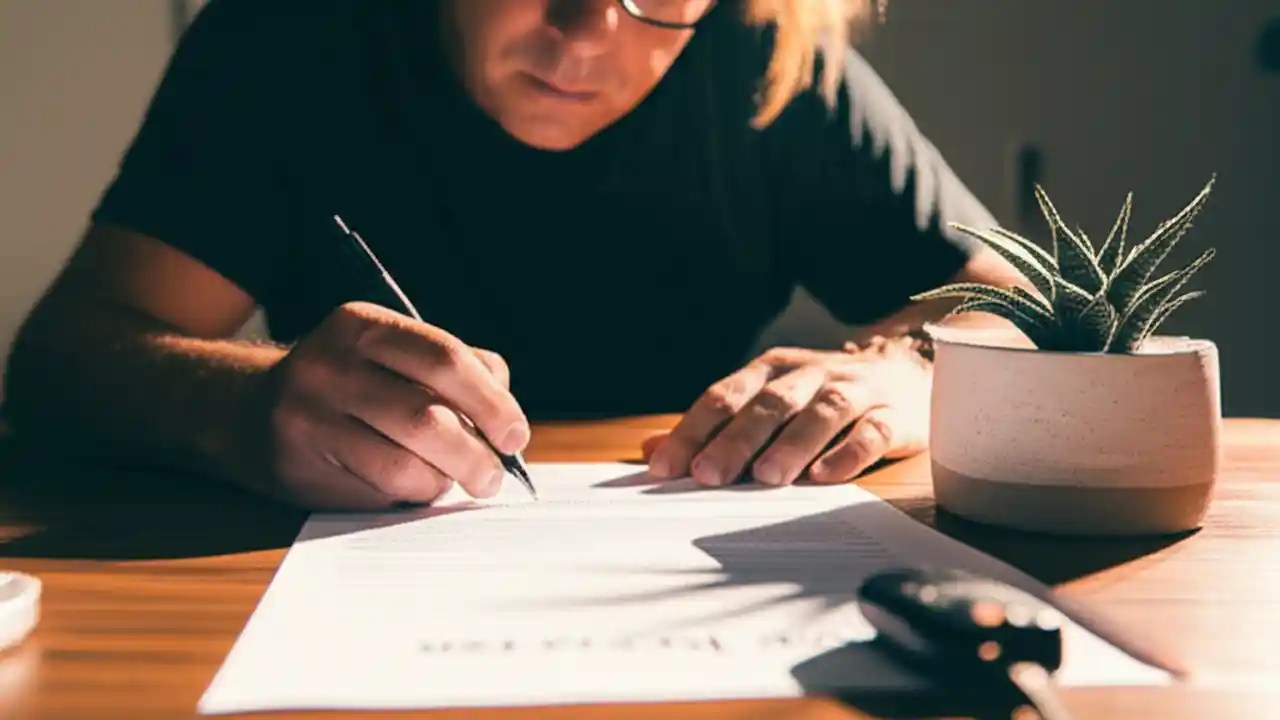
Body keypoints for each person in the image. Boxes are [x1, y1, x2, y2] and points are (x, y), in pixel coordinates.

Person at [3, 0, 1028, 510]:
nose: (584, 33)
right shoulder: (289, 37)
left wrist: (899, 367)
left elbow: (1009, 300)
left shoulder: (762, 50)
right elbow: (64, 362)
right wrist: (244, 407)